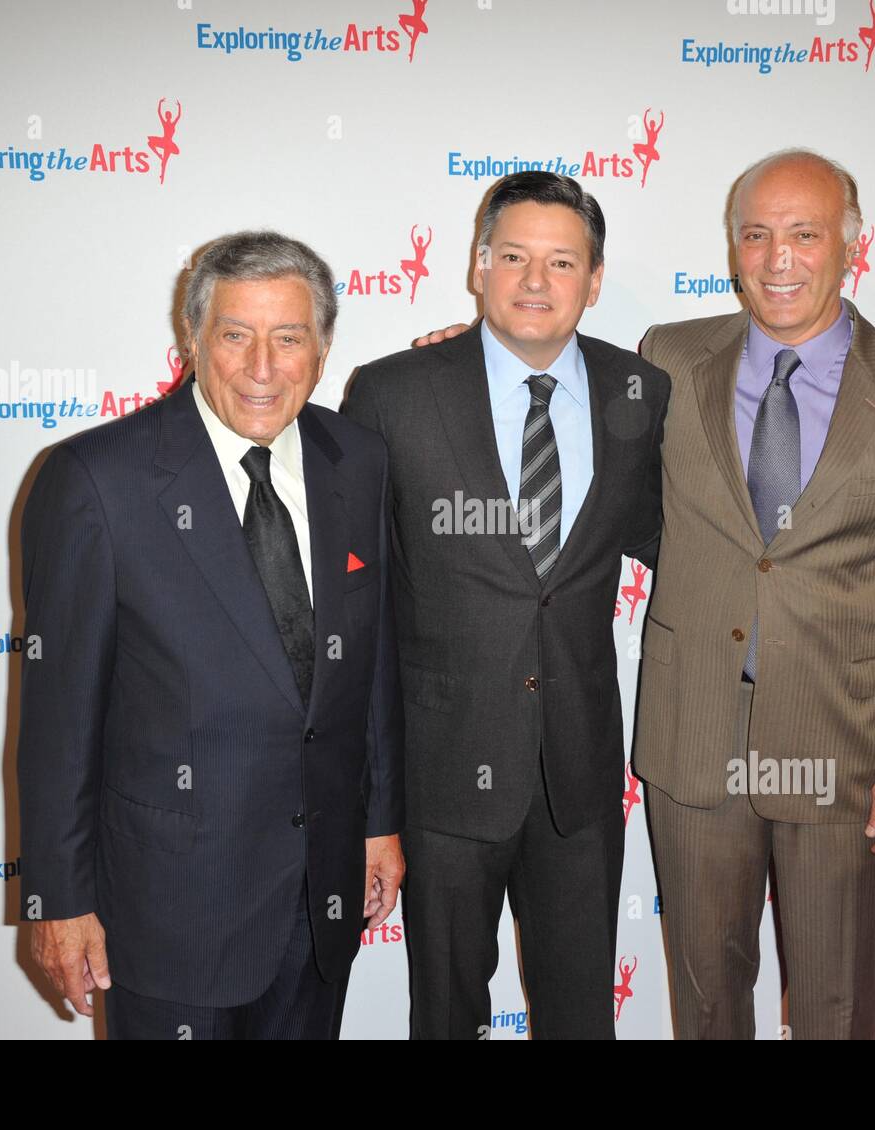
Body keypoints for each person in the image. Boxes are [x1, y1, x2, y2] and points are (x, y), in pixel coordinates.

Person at [17, 230, 404, 1040]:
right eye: (235, 335)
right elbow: (58, 721)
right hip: (170, 909)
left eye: (288, 337)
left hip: (321, 897)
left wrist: (378, 821)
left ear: (323, 348)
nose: (262, 367)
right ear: (192, 338)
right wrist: (60, 899)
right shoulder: (97, 480)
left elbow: (371, 665)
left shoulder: (358, 459)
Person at [636, 149, 875, 1039]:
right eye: (756, 235)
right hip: (695, 734)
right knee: (706, 1000)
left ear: (852, 246)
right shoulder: (669, 357)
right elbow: (573, 414)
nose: (777, 259)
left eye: (804, 235)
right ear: (732, 248)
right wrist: (474, 356)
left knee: (834, 1003)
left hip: (843, 744)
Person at [344, 172, 669, 1039]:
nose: (535, 280)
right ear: (478, 267)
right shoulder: (392, 393)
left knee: (581, 1017)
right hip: (443, 775)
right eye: (515, 256)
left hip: (580, 775)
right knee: (445, 1016)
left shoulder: (641, 392)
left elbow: (677, 544)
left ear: (593, 281)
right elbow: (355, 599)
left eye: (562, 262)